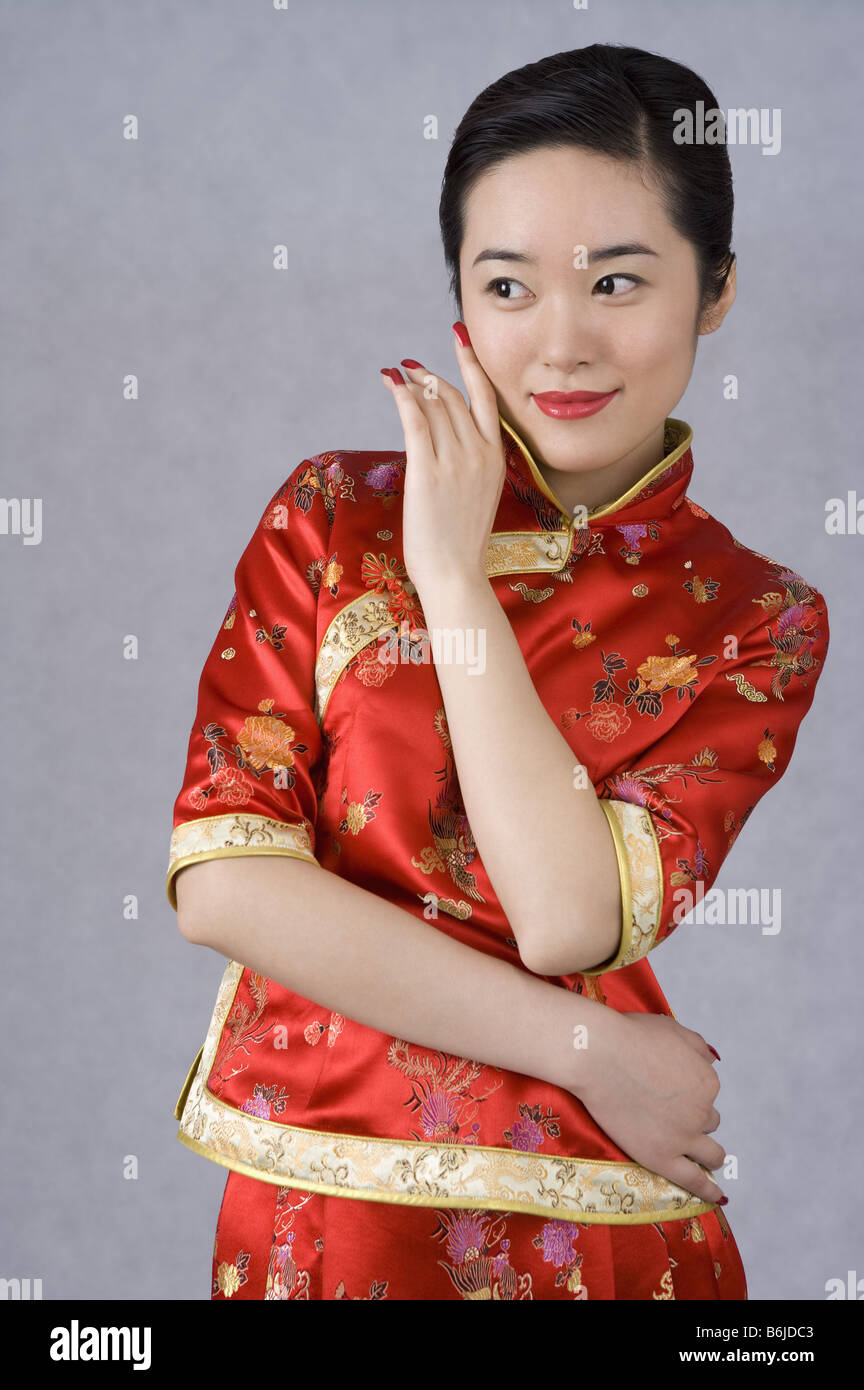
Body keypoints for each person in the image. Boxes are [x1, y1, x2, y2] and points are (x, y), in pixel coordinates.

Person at [165, 43, 829, 1301]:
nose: (562, 344)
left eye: (619, 281)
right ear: (460, 292)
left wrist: (456, 582)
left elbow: (566, 914)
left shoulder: (759, 616)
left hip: (603, 1220)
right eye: (509, 285)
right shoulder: (334, 515)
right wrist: (590, 1048)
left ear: (718, 288)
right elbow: (227, 882)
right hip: (327, 1203)